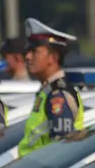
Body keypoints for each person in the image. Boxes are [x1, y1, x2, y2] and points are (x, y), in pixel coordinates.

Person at [18, 18, 84, 156]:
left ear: (53, 57)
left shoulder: (59, 95)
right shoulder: (47, 92)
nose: (28, 57)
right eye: (28, 51)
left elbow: (60, 152)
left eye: (34, 51)